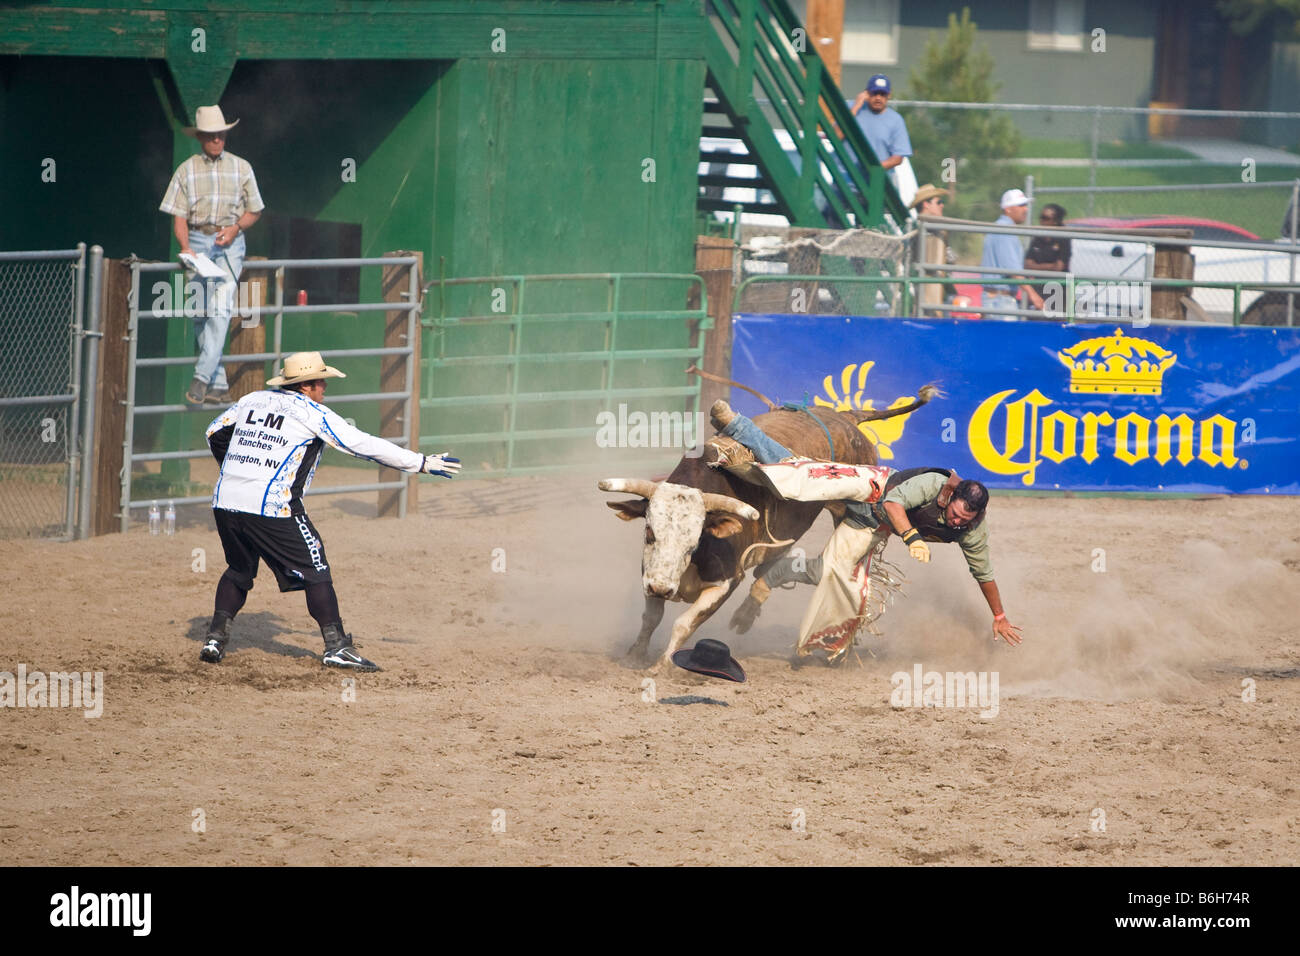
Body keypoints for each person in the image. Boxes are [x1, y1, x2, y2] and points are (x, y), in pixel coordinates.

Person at [199, 351, 461, 671]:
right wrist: (420, 463)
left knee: (239, 570)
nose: (325, 386)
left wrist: (240, 470)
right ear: (305, 386)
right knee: (316, 568)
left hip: (226, 501)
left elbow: (214, 432)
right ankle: (336, 646)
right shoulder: (313, 415)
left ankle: (214, 639)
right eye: (321, 381)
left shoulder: (252, 400)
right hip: (272, 505)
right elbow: (362, 445)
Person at [706, 400, 1022, 664]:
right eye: (954, 515)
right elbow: (895, 503)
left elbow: (984, 574)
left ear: (977, 516)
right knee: (799, 475)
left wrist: (999, 615)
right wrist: (912, 538)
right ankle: (738, 428)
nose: (955, 523)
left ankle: (769, 579)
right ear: (951, 497)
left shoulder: (973, 531)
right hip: (869, 486)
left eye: (963, 521)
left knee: (834, 579)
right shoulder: (933, 485)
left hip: (871, 524)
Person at [159, 105, 265, 406]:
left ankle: (201, 378)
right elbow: (178, 216)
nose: (217, 140)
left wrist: (234, 228)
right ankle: (218, 385)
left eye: (221, 135)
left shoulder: (241, 167)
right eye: (212, 136)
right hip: (197, 238)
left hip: (230, 243)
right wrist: (185, 246)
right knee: (200, 313)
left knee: (219, 309)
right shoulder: (187, 169)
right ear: (202, 138)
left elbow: (254, 210)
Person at [850, 73, 915, 206]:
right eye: (874, 94)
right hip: (848, 182)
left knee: (872, 225)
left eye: (882, 94)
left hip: (877, 185)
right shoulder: (853, 109)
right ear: (866, 94)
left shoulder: (896, 120)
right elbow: (836, 135)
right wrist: (856, 106)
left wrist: (874, 168)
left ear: (888, 95)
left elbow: (898, 158)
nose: (878, 98)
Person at [979, 188, 1044, 319]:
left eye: (1025, 205)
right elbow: (1012, 269)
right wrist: (1033, 295)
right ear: (1008, 209)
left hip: (997, 299)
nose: (1025, 209)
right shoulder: (1005, 231)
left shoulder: (1000, 228)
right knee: (1007, 338)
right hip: (1000, 300)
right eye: (1021, 205)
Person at [910, 183, 952, 311]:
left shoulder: (925, 227)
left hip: (934, 291)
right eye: (938, 202)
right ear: (926, 204)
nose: (942, 205)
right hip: (930, 294)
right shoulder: (928, 228)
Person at [1024, 203, 1071, 273]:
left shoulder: (1063, 238)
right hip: (1040, 279)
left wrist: (1036, 266)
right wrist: (1051, 266)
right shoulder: (1037, 238)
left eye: (1045, 218)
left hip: (1059, 280)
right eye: (1041, 217)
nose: (1041, 221)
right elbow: (1027, 264)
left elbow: (1058, 267)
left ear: (1055, 221)